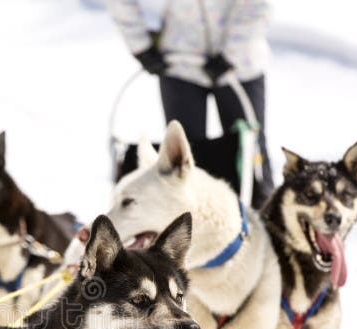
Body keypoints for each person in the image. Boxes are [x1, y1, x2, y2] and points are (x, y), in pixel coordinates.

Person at [108, 0, 275, 199]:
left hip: (241, 65)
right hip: (180, 63)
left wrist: (232, 55)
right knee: (184, 153)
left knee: (251, 153)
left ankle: (263, 219)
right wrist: (140, 45)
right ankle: (192, 221)